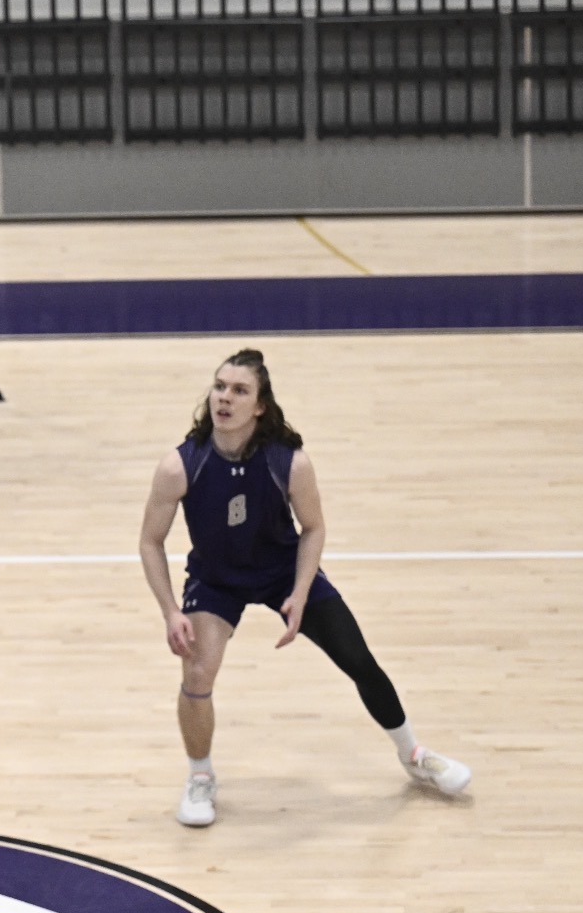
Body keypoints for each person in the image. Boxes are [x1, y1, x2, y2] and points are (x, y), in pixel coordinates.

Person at [138, 348, 473, 828]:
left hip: (282, 570)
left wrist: (299, 590)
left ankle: (414, 754)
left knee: (358, 659)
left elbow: (313, 528)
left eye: (238, 390)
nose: (224, 398)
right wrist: (171, 610)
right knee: (197, 675)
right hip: (216, 580)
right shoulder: (180, 466)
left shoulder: (289, 462)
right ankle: (200, 777)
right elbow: (150, 542)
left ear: (259, 406)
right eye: (219, 387)